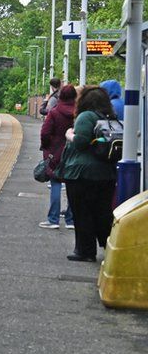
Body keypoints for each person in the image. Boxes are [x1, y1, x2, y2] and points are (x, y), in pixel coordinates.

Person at [58, 85, 118, 262]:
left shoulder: (86, 116)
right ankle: (110, 247)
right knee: (102, 212)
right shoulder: (110, 118)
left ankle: (85, 251)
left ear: (84, 101)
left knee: (82, 212)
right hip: (106, 174)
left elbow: (81, 142)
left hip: (82, 175)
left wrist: (69, 134)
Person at [39, 84, 75, 229]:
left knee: (55, 183)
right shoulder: (78, 113)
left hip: (55, 152)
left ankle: (53, 219)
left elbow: (45, 133)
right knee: (72, 185)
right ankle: (71, 220)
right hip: (73, 152)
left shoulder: (54, 113)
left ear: (60, 97)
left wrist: (47, 146)